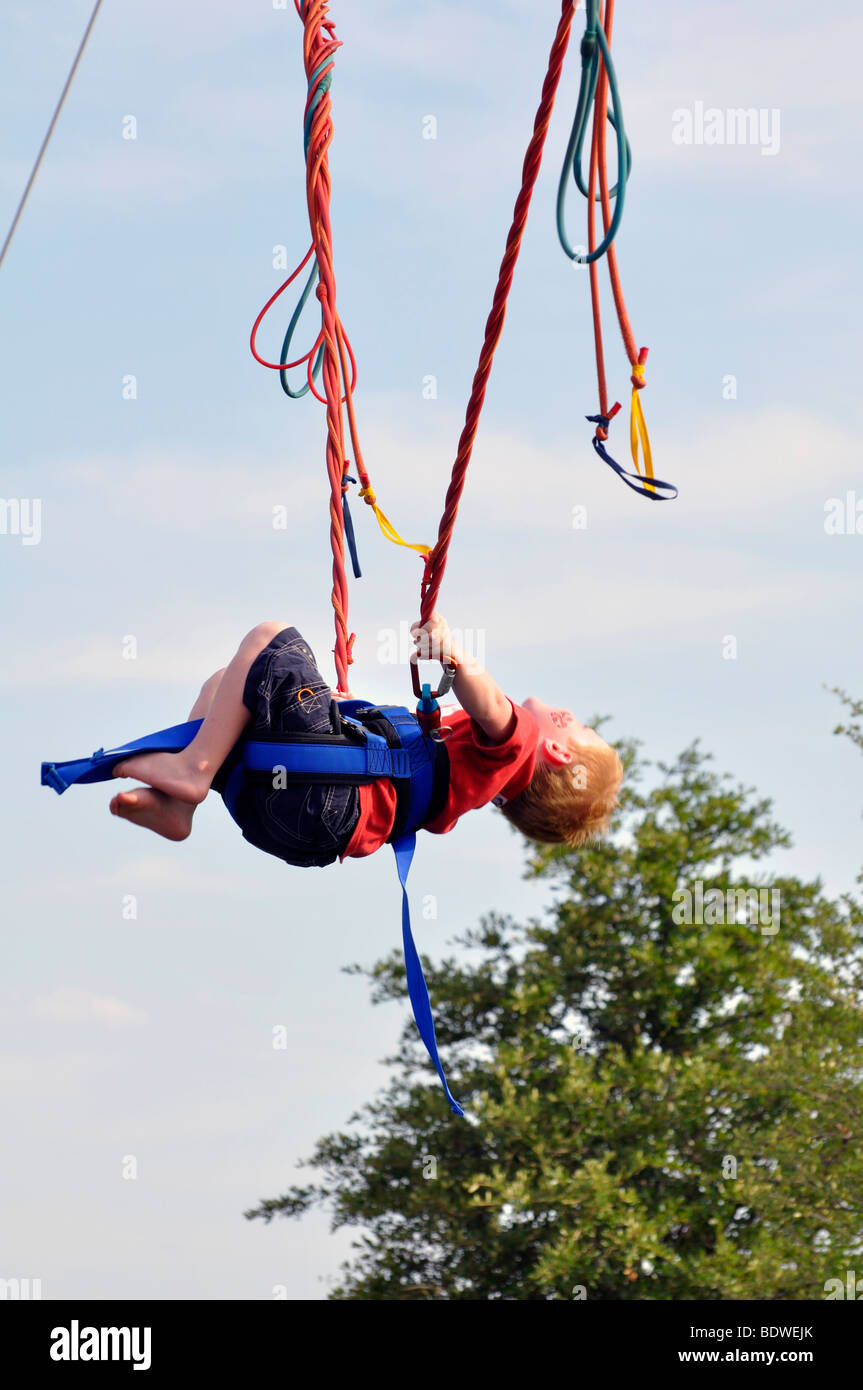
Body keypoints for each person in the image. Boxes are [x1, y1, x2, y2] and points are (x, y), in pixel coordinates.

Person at [109, 615, 623, 863]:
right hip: (297, 825)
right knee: (231, 684)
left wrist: (452, 654)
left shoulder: (515, 743)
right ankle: (178, 809)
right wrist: (340, 710)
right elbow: (392, 768)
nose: (572, 715)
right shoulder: (473, 782)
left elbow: (489, 706)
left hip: (324, 798)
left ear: (556, 750)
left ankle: (194, 773)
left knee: (271, 638)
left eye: (579, 726)